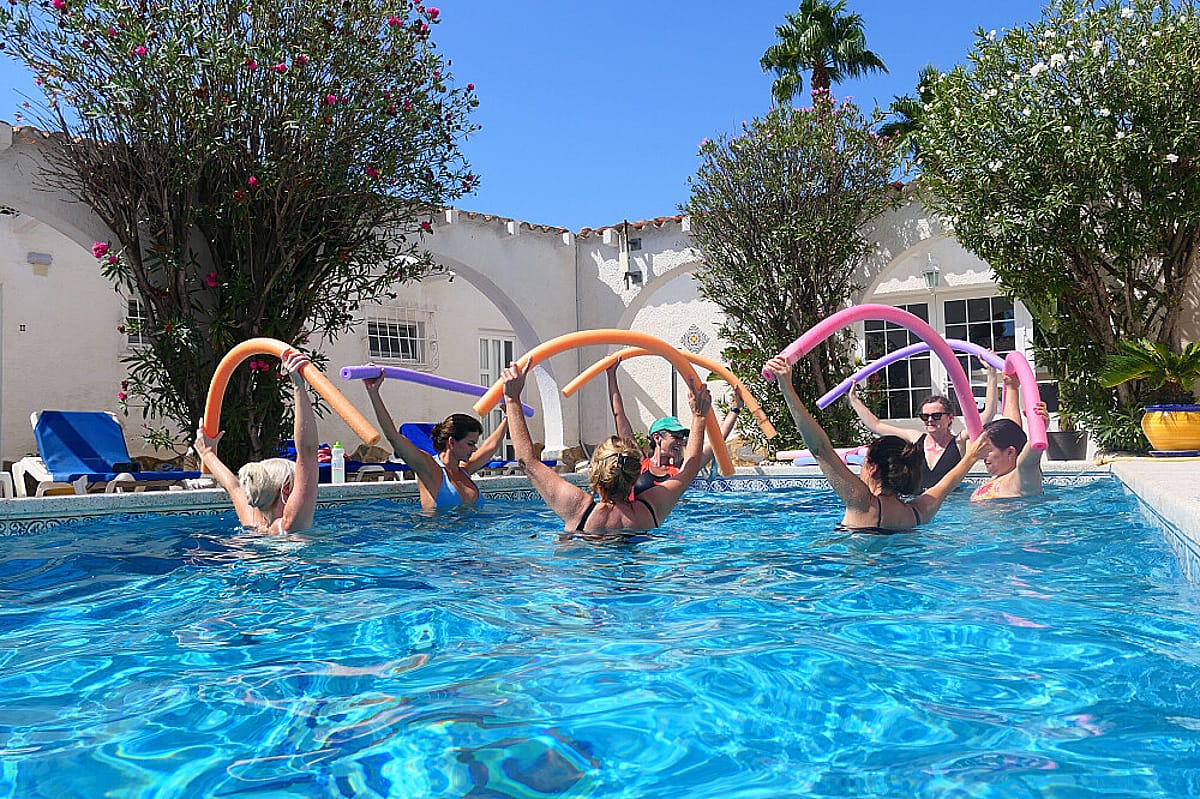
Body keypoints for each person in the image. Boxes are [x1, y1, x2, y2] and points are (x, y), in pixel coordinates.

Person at [765, 356, 985, 532]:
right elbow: (948, 483)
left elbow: (820, 449)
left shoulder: (862, 502)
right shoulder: (918, 512)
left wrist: (788, 388)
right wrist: (970, 457)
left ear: (873, 467)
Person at [506, 360, 712, 533]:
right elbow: (690, 469)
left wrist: (512, 399)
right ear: (635, 476)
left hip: (586, 577)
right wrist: (699, 416)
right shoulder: (651, 507)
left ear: (595, 473)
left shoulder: (578, 508)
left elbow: (528, 461)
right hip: (640, 580)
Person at [194, 349, 318, 533]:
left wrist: (206, 453)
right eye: (297, 482)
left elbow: (234, 487)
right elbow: (307, 452)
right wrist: (298, 385)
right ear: (286, 490)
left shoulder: (254, 520)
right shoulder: (288, 525)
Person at [363, 372, 510, 512]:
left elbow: (491, 446)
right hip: (438, 537)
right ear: (451, 443)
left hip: (473, 536)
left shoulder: (464, 470)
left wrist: (508, 416)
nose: (474, 449)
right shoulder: (429, 469)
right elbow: (393, 437)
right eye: (470, 444)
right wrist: (373, 393)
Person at [845, 367, 998, 491]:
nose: (930, 420)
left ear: (950, 417)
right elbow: (876, 425)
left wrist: (991, 376)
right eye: (925, 416)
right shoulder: (915, 438)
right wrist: (853, 399)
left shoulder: (959, 442)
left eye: (936, 416)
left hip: (951, 506)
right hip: (917, 502)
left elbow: (987, 415)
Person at [606, 360, 744, 496]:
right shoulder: (640, 464)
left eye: (682, 437)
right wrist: (611, 374)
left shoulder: (683, 470)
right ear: (658, 438)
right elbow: (619, 415)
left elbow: (717, 440)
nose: (680, 441)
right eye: (675, 437)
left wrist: (735, 408)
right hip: (644, 517)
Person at [971, 372, 1050, 501]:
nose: (983, 455)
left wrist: (1039, 429)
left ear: (1010, 452)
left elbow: (1028, 461)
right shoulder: (999, 476)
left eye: (988, 450)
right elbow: (1009, 427)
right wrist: (1011, 387)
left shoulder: (1022, 478)